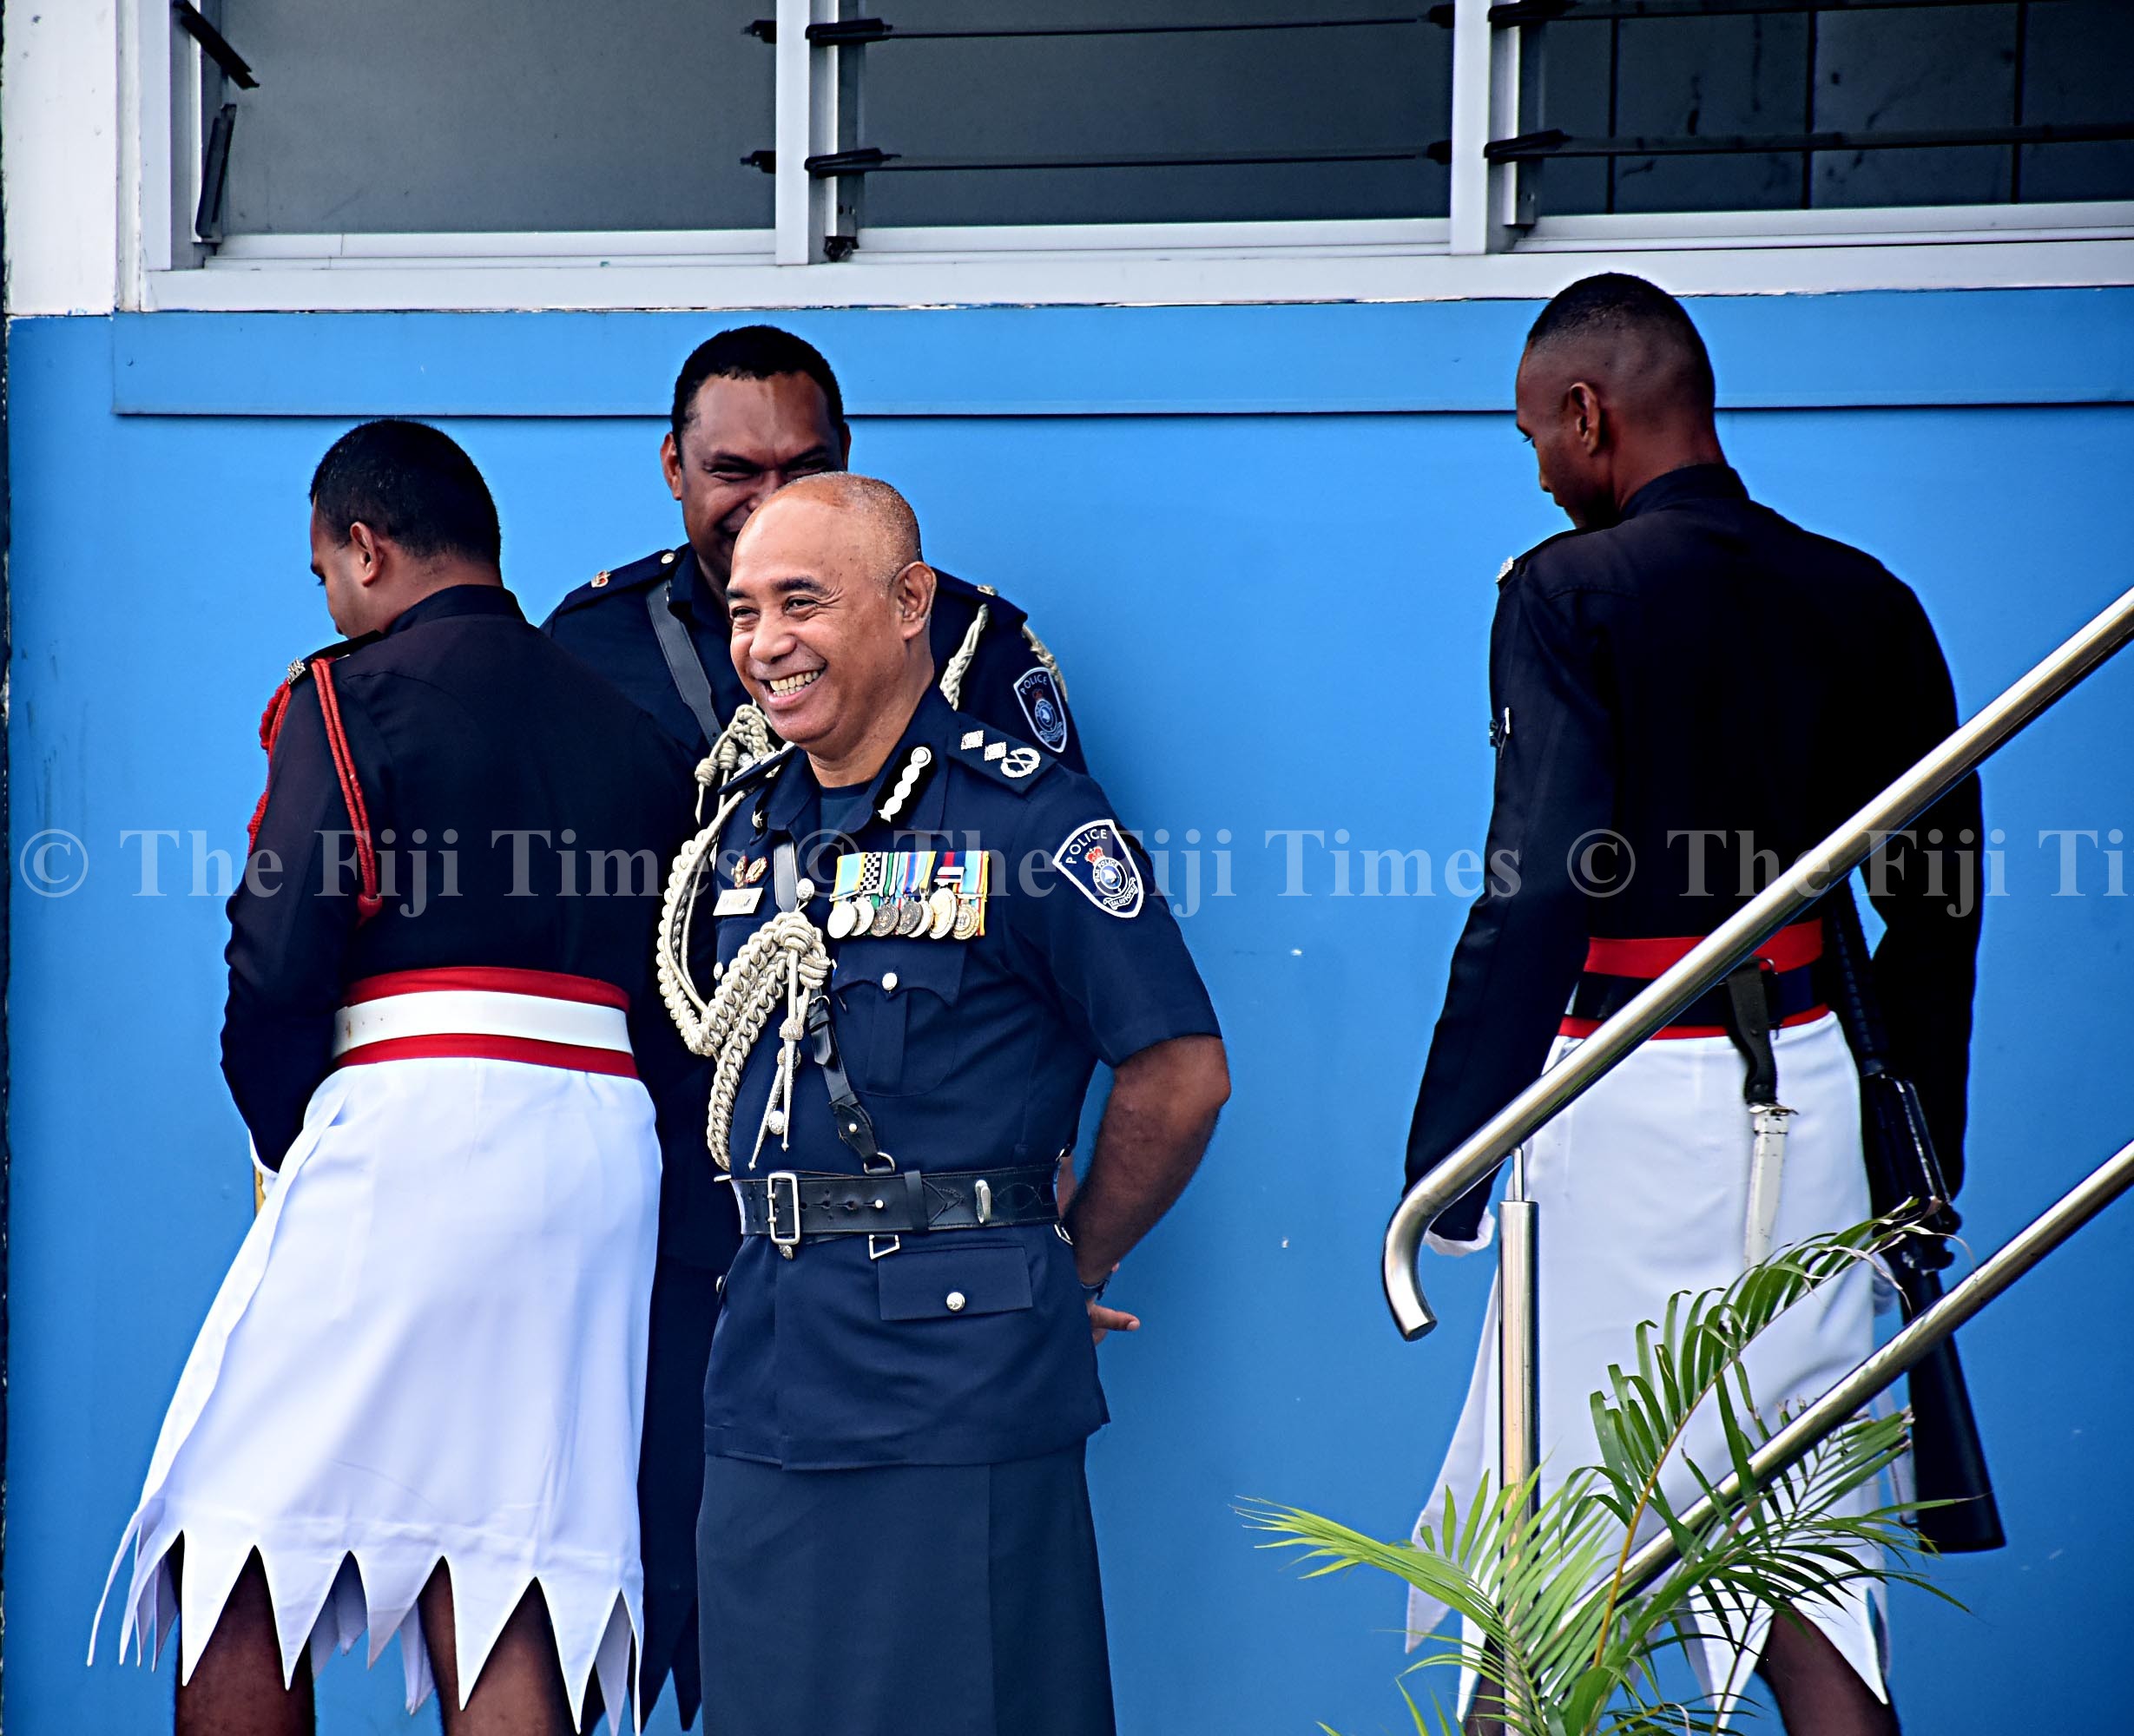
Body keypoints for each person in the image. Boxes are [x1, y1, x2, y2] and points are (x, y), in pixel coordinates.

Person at [1401, 275, 1981, 1735]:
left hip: (1623, 1092)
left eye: (1536, 432)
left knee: (1531, 1530)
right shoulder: (1868, 595)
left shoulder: (1567, 588)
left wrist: (1446, 1164)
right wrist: (1921, 1159)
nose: (1535, 465)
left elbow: (1536, 886)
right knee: (1797, 1532)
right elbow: (1935, 905)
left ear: (1588, 415)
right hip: (1825, 1096)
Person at [92, 421, 690, 1735]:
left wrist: (287, 1135)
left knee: (233, 1549)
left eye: (323, 572)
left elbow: (280, 952)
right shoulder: (637, 730)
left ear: (364, 549)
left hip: (418, 1115)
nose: (327, 598)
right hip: (602, 1149)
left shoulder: (349, 693)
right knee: (509, 1566)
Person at [543, 323, 1089, 1725]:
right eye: (732, 468)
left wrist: (1035, 1210)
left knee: (928, 1623)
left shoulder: (963, 637)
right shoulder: (587, 645)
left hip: (892, 1215)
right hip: (648, 1178)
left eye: (805, 465)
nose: (758, 492)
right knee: (661, 1550)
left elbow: (1043, 950)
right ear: (674, 470)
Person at [655, 473, 1228, 1736]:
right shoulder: (750, 826)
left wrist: (1074, 1261)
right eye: (745, 612)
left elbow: (1179, 1070)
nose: (765, 644)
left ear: (909, 604)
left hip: (955, 1377)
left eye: (801, 603)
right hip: (769, 1368)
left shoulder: (1027, 817)